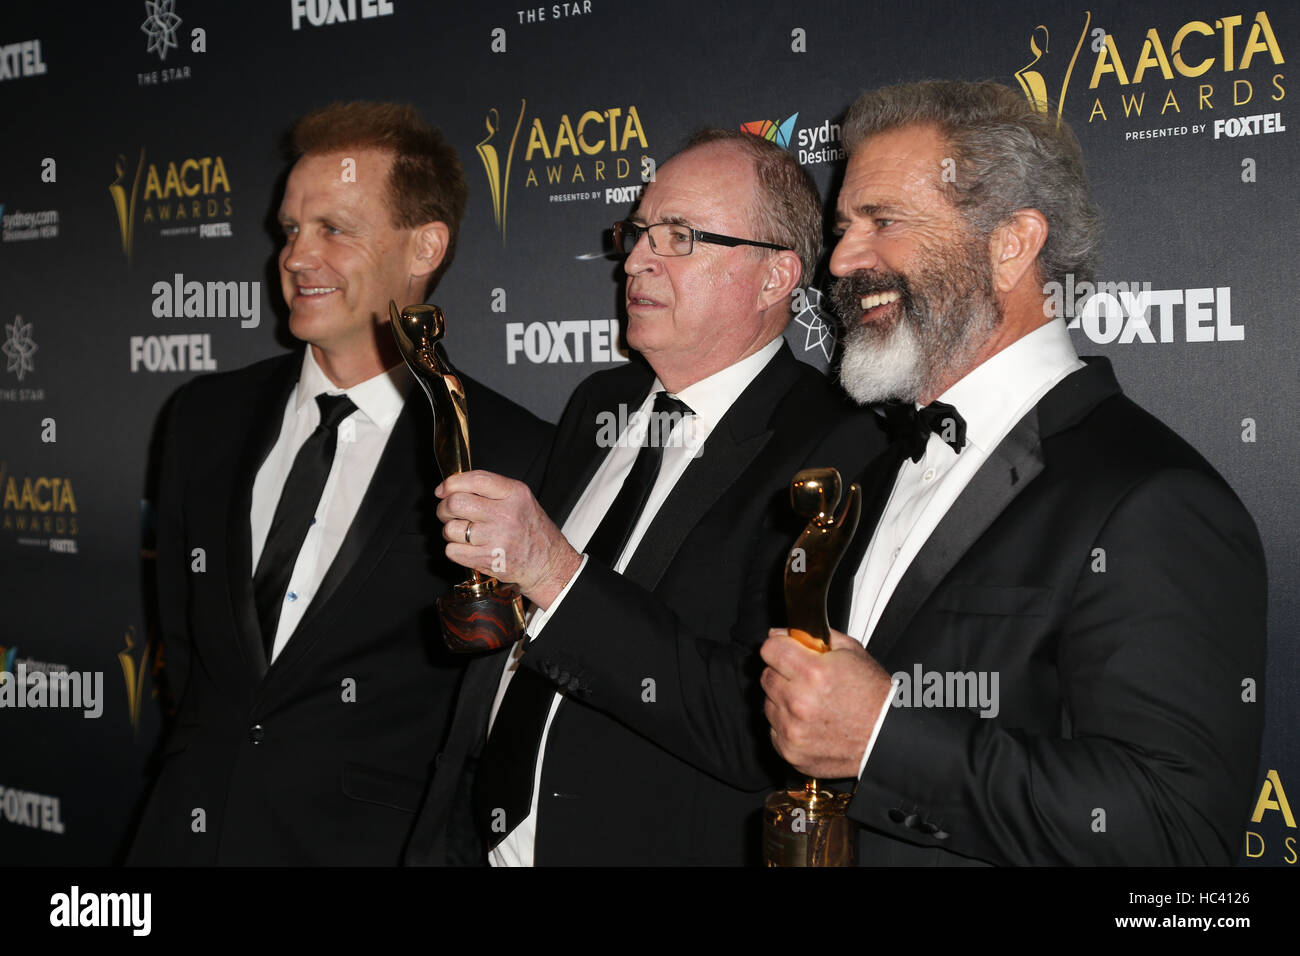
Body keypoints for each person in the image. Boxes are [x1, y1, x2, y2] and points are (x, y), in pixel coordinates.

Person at [760, 80, 1267, 866]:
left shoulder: (1154, 498)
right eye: (842, 228)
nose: (842, 261)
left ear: (1011, 244)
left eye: (883, 222)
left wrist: (885, 735)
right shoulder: (872, 461)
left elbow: (1179, 834)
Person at [405, 129, 866, 866]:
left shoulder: (836, 449)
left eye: (680, 236)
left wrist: (553, 570)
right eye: (640, 232)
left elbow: (758, 726)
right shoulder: (601, 402)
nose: (637, 259)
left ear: (776, 277)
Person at [127, 101, 550, 865]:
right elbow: (187, 654)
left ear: (425, 246)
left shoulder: (509, 451)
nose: (294, 255)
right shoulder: (204, 417)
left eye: (334, 229)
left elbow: (488, 710)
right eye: (290, 229)